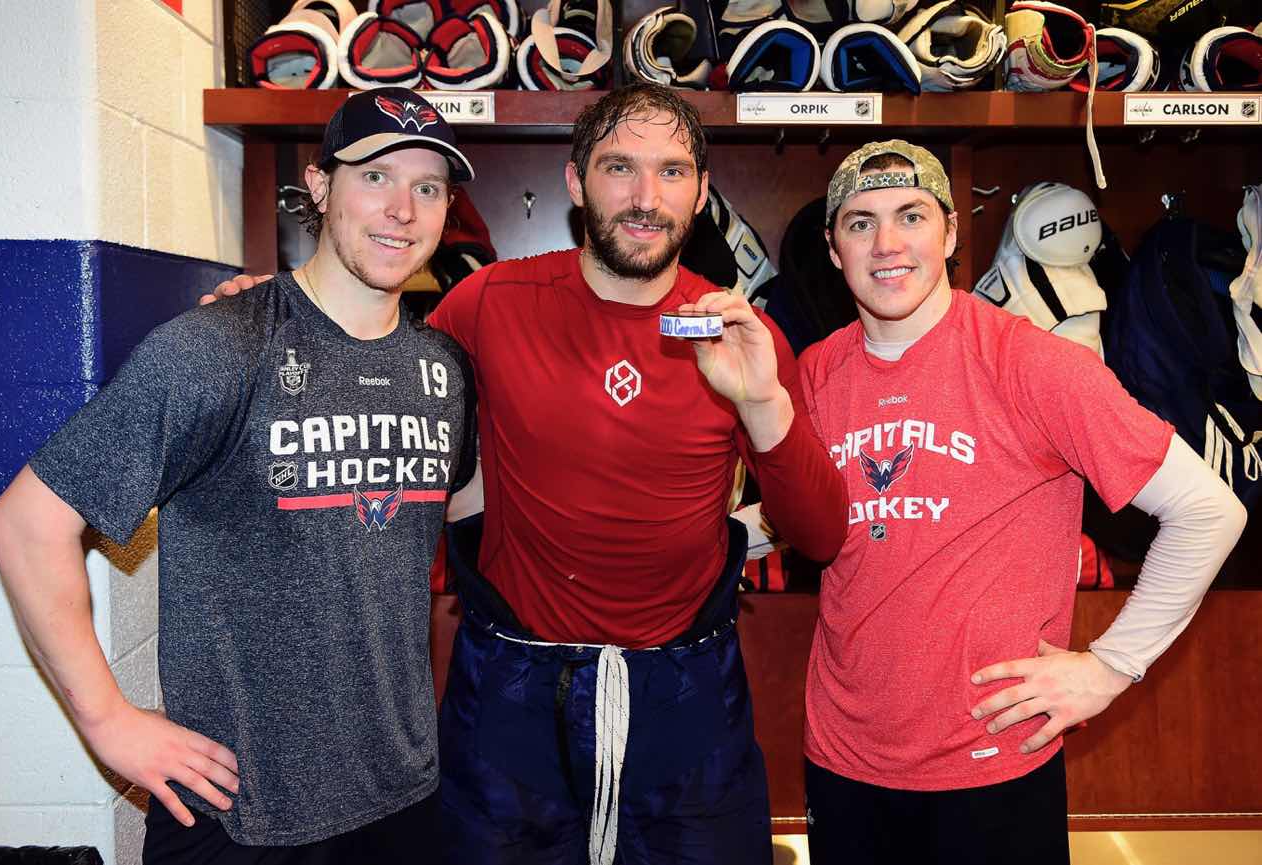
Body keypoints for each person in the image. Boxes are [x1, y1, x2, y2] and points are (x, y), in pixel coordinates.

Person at [205, 83, 848, 865]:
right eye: (619, 168)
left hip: (686, 705)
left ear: (702, 191)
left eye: (672, 172)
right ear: (577, 184)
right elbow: (367, 359)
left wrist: (765, 402)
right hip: (515, 697)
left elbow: (820, 535)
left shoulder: (738, 334)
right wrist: (274, 316)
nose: (646, 198)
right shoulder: (491, 302)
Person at [0, 87, 479, 864]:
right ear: (320, 187)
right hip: (238, 810)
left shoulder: (443, 369)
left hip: (403, 798)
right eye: (375, 177)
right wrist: (109, 721)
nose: (402, 211)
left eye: (427, 187)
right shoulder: (219, 347)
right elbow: (25, 523)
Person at [796, 139, 1247, 864]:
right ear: (832, 245)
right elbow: (818, 518)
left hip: (992, 762)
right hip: (843, 761)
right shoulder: (815, 372)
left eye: (910, 215)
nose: (886, 243)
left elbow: (1210, 510)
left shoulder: (1032, 362)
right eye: (859, 221)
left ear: (948, 231)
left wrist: (1110, 666)